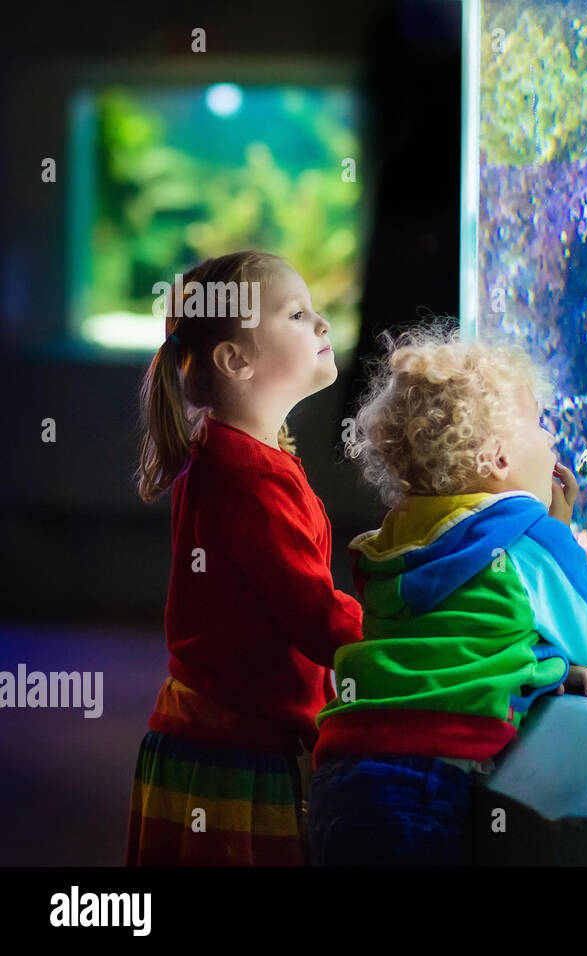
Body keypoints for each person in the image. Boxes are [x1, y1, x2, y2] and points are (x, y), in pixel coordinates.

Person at [308, 323, 587, 866]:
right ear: (499, 459)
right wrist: (560, 534)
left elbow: (460, 629)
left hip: (344, 763)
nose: (550, 439)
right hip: (429, 776)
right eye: (539, 425)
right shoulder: (526, 531)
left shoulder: (394, 536)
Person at [127, 250, 363, 865]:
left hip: (206, 738)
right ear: (235, 360)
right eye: (297, 314)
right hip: (232, 755)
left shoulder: (227, 453)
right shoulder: (250, 475)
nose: (323, 325)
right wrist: (398, 636)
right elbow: (310, 612)